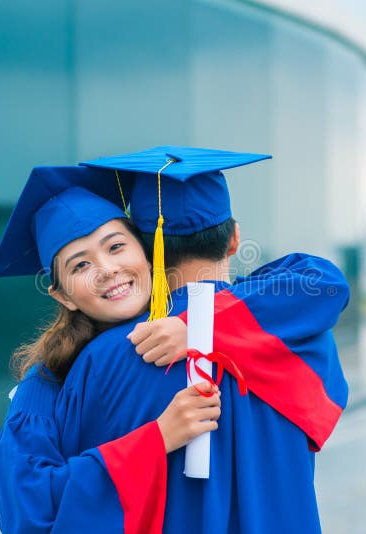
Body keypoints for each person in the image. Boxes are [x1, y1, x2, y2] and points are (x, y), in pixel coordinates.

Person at [49, 146, 350, 533]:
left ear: (146, 252)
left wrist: (203, 328)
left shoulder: (103, 360)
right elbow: (318, 283)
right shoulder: (301, 340)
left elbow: (78, 495)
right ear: (235, 239)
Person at [0, 166, 222, 533]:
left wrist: (199, 324)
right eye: (80, 264)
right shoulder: (45, 384)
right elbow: (28, 510)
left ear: (147, 254)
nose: (107, 269)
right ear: (63, 296)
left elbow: (306, 281)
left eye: (116, 246)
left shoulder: (198, 321)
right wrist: (156, 439)